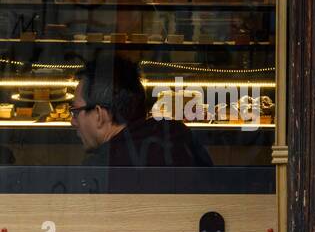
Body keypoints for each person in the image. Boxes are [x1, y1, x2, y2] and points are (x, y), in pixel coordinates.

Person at [70, 52, 213, 169]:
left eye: (76, 112)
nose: (72, 122)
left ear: (99, 115)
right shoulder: (179, 133)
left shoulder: (101, 169)